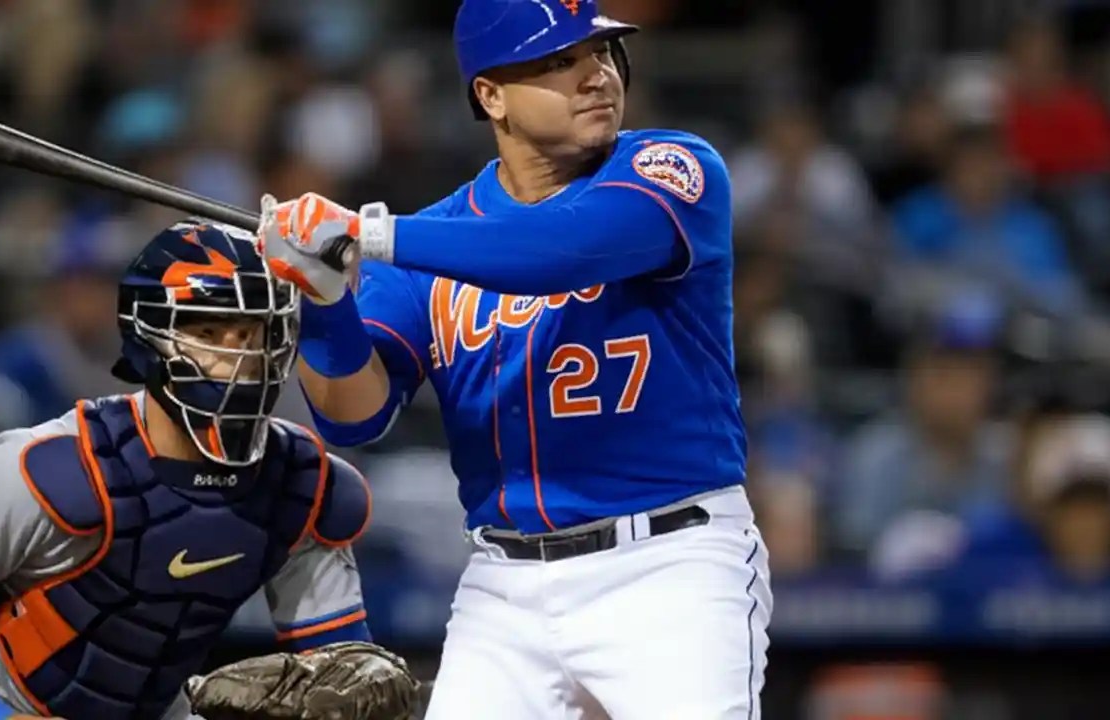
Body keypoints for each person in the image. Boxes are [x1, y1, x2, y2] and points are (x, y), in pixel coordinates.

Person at [256, 1, 772, 717]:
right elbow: (354, 415)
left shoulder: (670, 170)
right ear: (490, 94)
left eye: (600, 54)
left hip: (669, 566)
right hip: (504, 585)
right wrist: (323, 301)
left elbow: (555, 250)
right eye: (560, 62)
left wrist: (367, 234)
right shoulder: (428, 242)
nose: (595, 76)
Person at [0, 221, 376, 720]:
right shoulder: (54, 467)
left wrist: (364, 693)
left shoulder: (301, 484)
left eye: (252, 333)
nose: (237, 358)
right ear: (148, 337)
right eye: (207, 331)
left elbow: (338, 670)